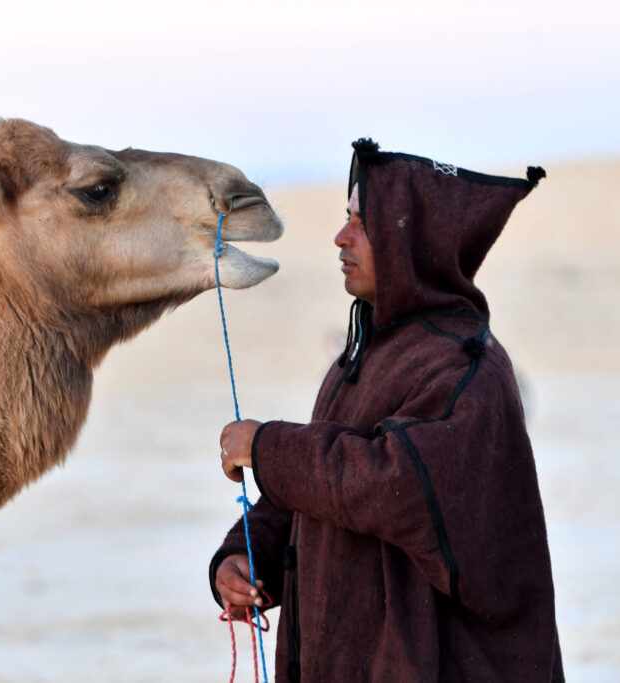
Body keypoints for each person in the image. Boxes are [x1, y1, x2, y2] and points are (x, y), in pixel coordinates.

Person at [210, 139, 563, 681]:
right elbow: (318, 495)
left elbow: (392, 485)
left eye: (363, 223)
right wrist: (245, 555)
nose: (341, 237)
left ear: (416, 245)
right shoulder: (360, 356)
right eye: (345, 217)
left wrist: (266, 446)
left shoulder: (467, 372)